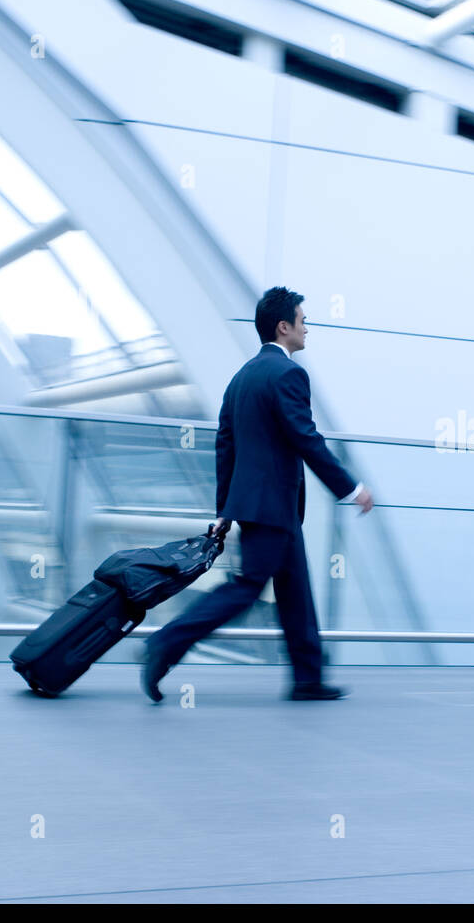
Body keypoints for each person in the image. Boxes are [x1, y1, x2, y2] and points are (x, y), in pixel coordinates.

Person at [142, 287, 374, 702]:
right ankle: (166, 642)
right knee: (246, 587)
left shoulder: (242, 377)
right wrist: (350, 487)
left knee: (295, 591)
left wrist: (225, 508)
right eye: (303, 321)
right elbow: (305, 437)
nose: (307, 329)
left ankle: (308, 679)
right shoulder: (288, 374)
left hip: (262, 506)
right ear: (284, 327)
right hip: (272, 505)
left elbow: (225, 445)